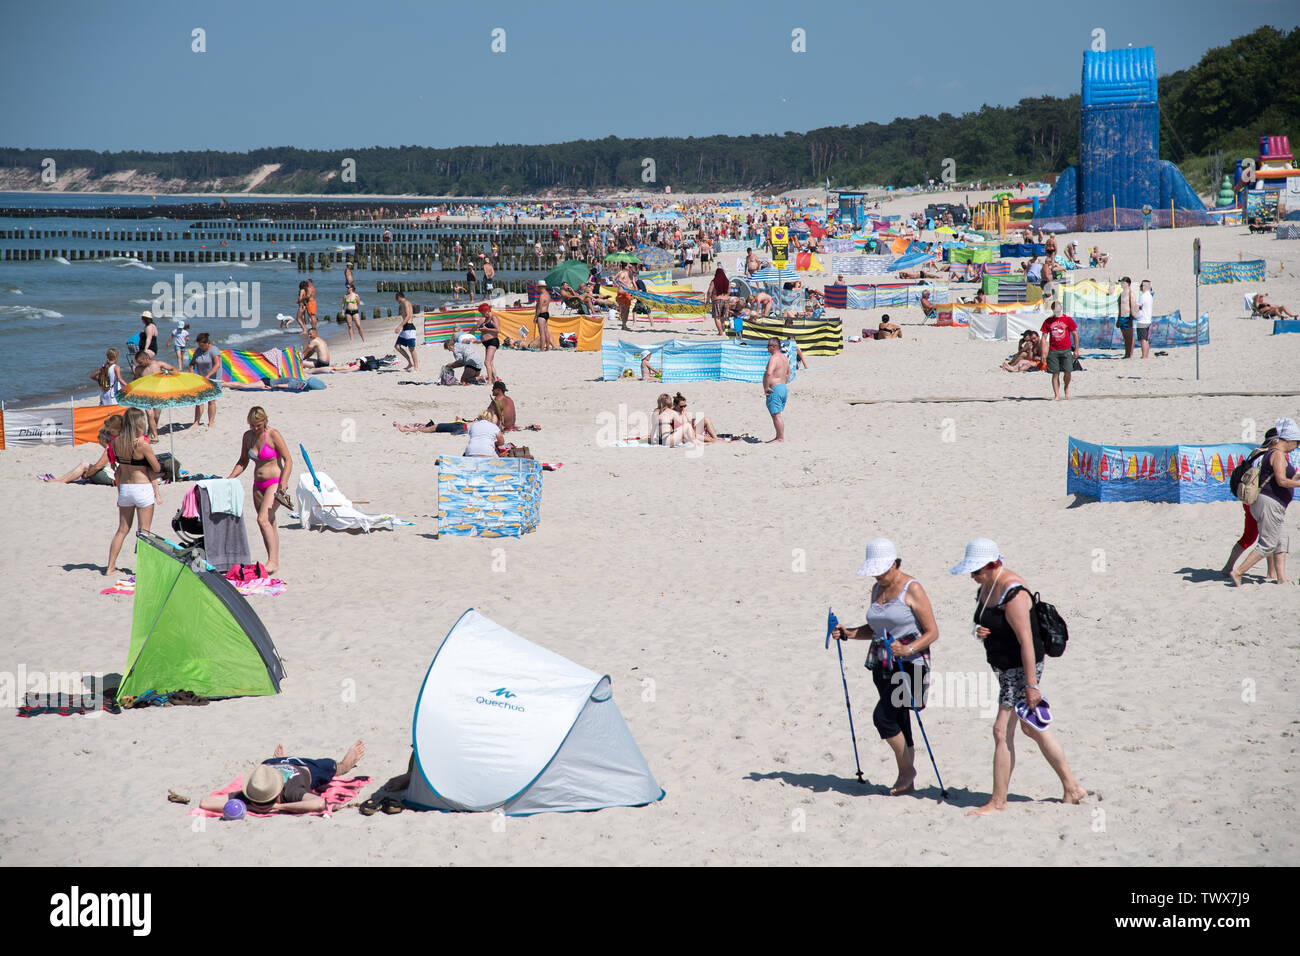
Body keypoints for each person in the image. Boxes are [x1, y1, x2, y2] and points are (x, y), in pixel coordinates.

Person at [950, 538, 1086, 815]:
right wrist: (981, 631)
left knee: (1001, 730)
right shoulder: (987, 586)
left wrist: (1032, 686)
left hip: (1021, 669)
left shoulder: (1012, 593)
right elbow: (988, 622)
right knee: (1031, 727)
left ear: (993, 564)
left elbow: (1026, 641)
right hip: (1004, 667)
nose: (972, 576)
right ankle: (1072, 787)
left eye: (976, 570)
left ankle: (998, 802)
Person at [832, 538, 940, 795]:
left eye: (882, 570)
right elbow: (876, 629)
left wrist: (908, 648)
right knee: (900, 719)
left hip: (911, 666)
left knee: (883, 717)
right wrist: (849, 633)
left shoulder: (912, 588)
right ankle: (907, 780)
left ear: (896, 564)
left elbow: (932, 632)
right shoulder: (876, 589)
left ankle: (906, 771)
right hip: (881, 664)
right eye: (874, 571)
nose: (878, 575)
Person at [198, 741, 365, 815]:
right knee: (327, 768)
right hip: (279, 766)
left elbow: (319, 803)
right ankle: (281, 758)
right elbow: (205, 802)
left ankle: (347, 761)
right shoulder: (257, 789)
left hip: (301, 766)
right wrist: (272, 806)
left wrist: (272, 807)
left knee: (339, 768)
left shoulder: (288, 791)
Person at [1231, 418, 1300, 586]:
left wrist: (1296, 478)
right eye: (1296, 443)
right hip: (1269, 503)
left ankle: (1281, 578)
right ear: (1289, 440)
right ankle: (1238, 572)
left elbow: (1281, 479)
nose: (1296, 447)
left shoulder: (1273, 453)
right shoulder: (1277, 454)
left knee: (1282, 539)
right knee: (1267, 544)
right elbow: (1282, 481)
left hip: (1271, 504)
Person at [228, 406, 292, 575]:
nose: (256, 428)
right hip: (258, 485)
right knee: (269, 523)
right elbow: (243, 461)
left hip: (275, 483)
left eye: (259, 425)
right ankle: (274, 560)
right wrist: (229, 478)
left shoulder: (273, 434)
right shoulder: (248, 437)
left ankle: (272, 562)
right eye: (252, 425)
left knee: (262, 520)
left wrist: (284, 483)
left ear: (265, 421)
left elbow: (288, 459)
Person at [105, 408, 162, 576]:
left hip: (125, 488)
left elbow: (115, 464)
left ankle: (110, 567)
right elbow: (156, 467)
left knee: (122, 529)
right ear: (139, 423)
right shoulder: (142, 444)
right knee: (144, 530)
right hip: (142, 487)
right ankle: (143, 570)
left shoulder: (116, 442)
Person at [1222, 427, 1278, 578]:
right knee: (1269, 537)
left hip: (1248, 499)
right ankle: (1271, 573)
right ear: (1276, 441)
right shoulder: (1270, 456)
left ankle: (1228, 567)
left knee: (1249, 536)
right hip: (1261, 500)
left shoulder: (1255, 453)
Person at [41, 416, 122, 485]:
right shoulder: (119, 443)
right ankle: (60, 480)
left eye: (99, 437)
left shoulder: (110, 448)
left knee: (84, 465)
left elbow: (98, 467)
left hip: (112, 478)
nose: (98, 440)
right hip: (115, 477)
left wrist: (87, 475)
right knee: (87, 468)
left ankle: (59, 481)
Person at [1039, 301, 1078, 400]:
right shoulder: (1048, 321)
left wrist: (1076, 349)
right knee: (1055, 373)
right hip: (1053, 350)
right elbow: (1044, 337)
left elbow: (1075, 334)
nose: (1057, 311)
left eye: (1058, 309)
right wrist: (1043, 353)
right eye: (1055, 310)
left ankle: (1066, 388)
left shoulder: (1067, 319)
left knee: (1068, 371)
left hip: (1066, 349)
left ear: (1061, 309)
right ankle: (1056, 395)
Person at [188, 332, 221, 427]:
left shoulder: (214, 350)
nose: (201, 347)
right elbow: (192, 364)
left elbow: (217, 365)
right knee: (199, 401)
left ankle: (211, 422)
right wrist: (192, 374)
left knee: (211, 400)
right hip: (200, 380)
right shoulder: (198, 351)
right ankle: (196, 421)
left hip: (213, 380)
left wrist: (208, 376)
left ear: (207, 343)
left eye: (202, 345)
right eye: (199, 345)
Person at [763, 338, 790, 443]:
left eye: (768, 346)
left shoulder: (774, 358)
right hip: (783, 387)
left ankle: (780, 438)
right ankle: (779, 437)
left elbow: (769, 373)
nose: (767, 348)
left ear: (774, 346)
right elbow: (788, 373)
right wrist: (783, 382)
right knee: (777, 414)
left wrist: (766, 387)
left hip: (775, 388)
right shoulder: (784, 357)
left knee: (776, 415)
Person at [472, 303, 501, 384]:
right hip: (486, 343)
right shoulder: (485, 319)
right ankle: (495, 379)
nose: (482, 314)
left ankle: (490, 381)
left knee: (486, 362)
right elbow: (476, 327)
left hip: (493, 341)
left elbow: (498, 330)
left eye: (482, 313)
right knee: (490, 363)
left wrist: (486, 329)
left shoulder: (493, 318)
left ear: (487, 311)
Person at [394, 292, 419, 371]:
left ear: (399, 297)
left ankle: (416, 366)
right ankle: (410, 363)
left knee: (411, 348)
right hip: (405, 328)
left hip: (409, 328)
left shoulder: (406, 303)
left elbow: (408, 316)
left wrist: (400, 326)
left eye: (396, 298)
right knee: (397, 346)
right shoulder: (402, 304)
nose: (396, 300)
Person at [1116, 277, 1136, 359]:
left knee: (1129, 336)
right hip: (1122, 316)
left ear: (1128, 284)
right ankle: (1127, 353)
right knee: (1125, 337)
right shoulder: (1122, 293)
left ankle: (1130, 354)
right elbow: (1120, 307)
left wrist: (1131, 318)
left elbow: (1133, 306)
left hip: (1128, 316)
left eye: (1123, 283)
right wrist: (1118, 319)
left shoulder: (1131, 293)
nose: (1121, 284)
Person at [533, 280, 556, 351]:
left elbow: (539, 307)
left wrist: (536, 317)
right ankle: (548, 347)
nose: (538, 288)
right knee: (546, 332)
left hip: (541, 314)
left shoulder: (542, 296)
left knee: (542, 333)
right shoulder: (547, 294)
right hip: (546, 313)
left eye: (538, 287)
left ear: (541, 287)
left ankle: (542, 349)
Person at [1135, 279, 1155, 359]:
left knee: (1143, 339)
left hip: (1142, 320)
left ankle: (1144, 355)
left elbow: (1138, 306)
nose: (1141, 287)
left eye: (1142, 285)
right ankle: (1145, 355)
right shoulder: (1149, 295)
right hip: (1147, 319)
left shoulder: (1143, 296)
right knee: (1145, 339)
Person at [707, 268, 731, 335]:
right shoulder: (727, 281)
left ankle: (720, 332)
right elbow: (729, 292)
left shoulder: (714, 281)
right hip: (726, 301)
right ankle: (722, 331)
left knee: (717, 317)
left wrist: (708, 300)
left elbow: (709, 291)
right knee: (723, 317)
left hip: (717, 300)